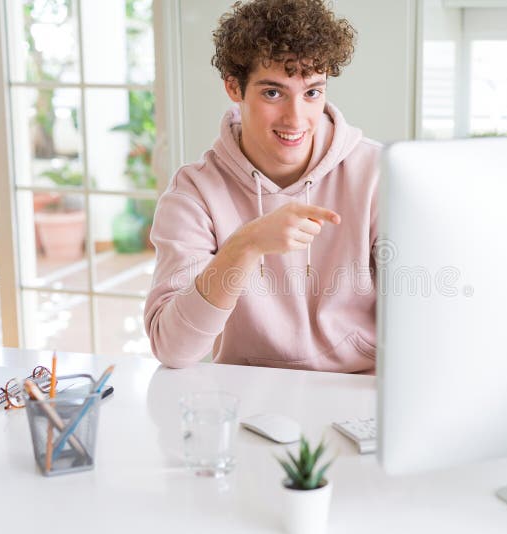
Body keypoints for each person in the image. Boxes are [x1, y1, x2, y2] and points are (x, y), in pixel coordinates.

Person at [144, 0, 380, 373]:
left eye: (312, 93)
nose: (296, 118)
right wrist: (245, 245)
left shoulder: (375, 174)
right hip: (250, 392)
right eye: (273, 93)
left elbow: (423, 319)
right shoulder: (194, 193)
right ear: (234, 88)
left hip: (359, 388)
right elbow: (173, 349)